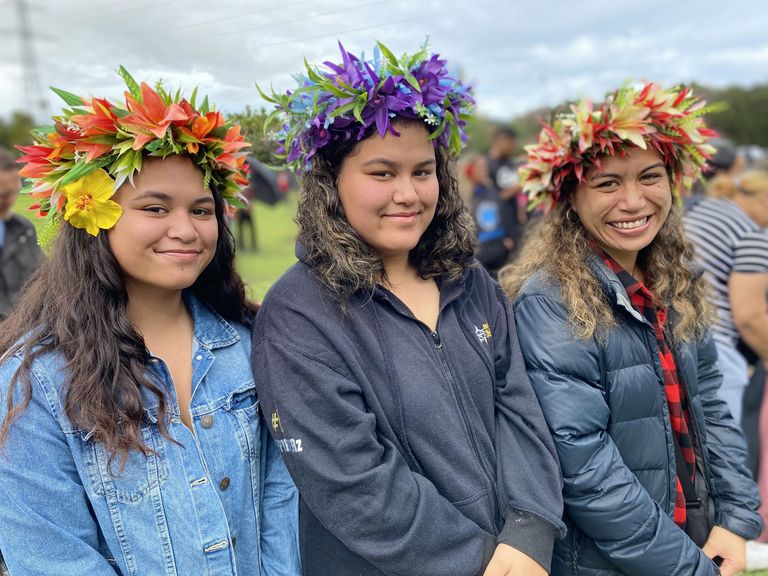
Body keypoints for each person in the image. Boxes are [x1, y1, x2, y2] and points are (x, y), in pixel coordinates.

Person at [252, 42, 565, 576]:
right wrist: (482, 561)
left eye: (422, 171)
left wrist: (530, 532)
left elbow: (521, 413)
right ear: (331, 181)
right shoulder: (298, 314)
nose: (409, 193)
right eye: (382, 173)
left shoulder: (469, 282)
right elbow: (354, 483)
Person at [0, 69, 300, 575]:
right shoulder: (37, 383)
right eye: (155, 207)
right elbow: (52, 556)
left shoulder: (251, 343)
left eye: (202, 210)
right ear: (92, 216)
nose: (184, 230)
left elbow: (281, 501)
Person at [500, 83, 762, 576]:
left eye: (650, 176)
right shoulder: (552, 299)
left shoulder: (674, 279)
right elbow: (586, 469)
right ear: (570, 198)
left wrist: (736, 519)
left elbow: (710, 406)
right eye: (606, 184)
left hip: (693, 536)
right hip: (611, 562)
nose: (634, 200)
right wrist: (687, 568)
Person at [683, 169, 768, 428]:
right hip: (716, 351)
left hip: (679, 335)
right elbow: (749, 317)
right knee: (723, 449)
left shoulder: (705, 209)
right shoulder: (752, 235)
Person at [0, 147, 44, 321]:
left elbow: (41, 280)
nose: (10, 201)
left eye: (15, 192)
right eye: (3, 195)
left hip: (20, 334)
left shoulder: (23, 229)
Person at [466, 153, 516, 277]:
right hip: (482, 251)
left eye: (485, 166)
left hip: (500, 246)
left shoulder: (493, 191)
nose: (484, 170)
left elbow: (505, 214)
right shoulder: (468, 197)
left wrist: (510, 237)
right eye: (480, 167)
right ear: (472, 171)